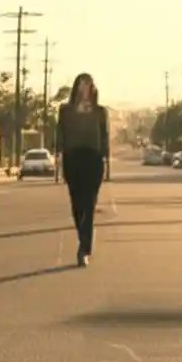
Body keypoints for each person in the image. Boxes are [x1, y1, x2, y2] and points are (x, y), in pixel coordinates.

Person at [56, 73, 109, 267]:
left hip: (93, 160)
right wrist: (59, 159)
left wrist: (106, 163)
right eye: (81, 83)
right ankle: (83, 239)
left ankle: (84, 249)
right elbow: (60, 134)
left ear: (92, 88)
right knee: (77, 205)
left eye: (88, 84)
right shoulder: (66, 110)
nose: (84, 88)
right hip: (73, 159)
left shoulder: (100, 111)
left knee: (89, 205)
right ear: (76, 87)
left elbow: (104, 137)